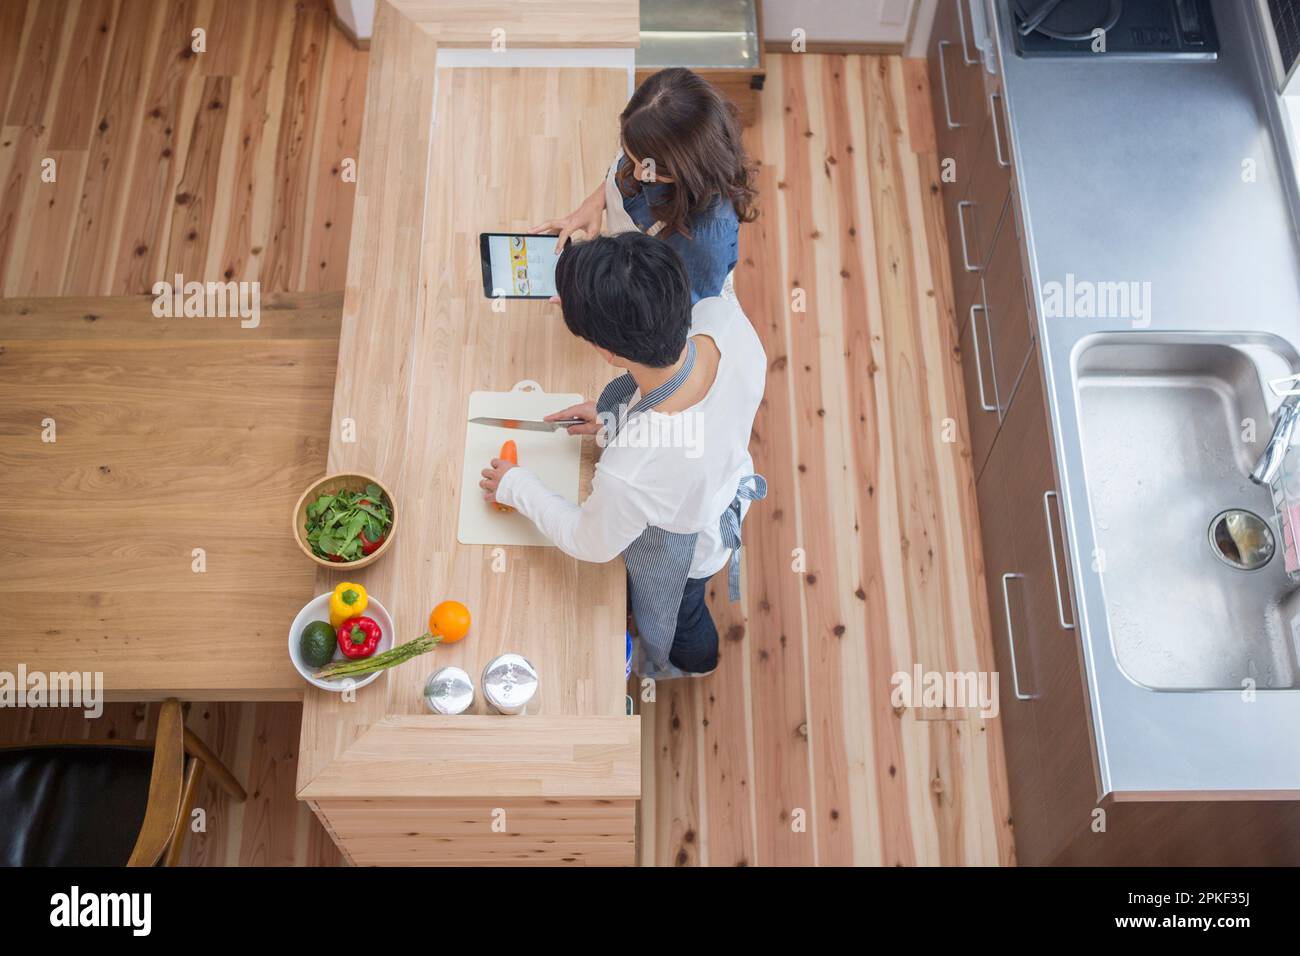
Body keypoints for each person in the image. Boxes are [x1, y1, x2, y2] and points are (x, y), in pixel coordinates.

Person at [479, 232, 766, 677]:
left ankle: (697, 664)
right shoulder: (722, 319)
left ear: (608, 353)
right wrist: (614, 418)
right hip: (723, 481)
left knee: (682, 621)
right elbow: (691, 415)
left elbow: (587, 541)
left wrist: (516, 485)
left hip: (688, 551)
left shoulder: (631, 468)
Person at [532, 68, 757, 304]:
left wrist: (592, 312)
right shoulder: (646, 133)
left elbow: (672, 320)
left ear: (688, 167)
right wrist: (595, 202)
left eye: (652, 168)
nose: (637, 174)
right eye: (631, 156)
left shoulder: (704, 240)